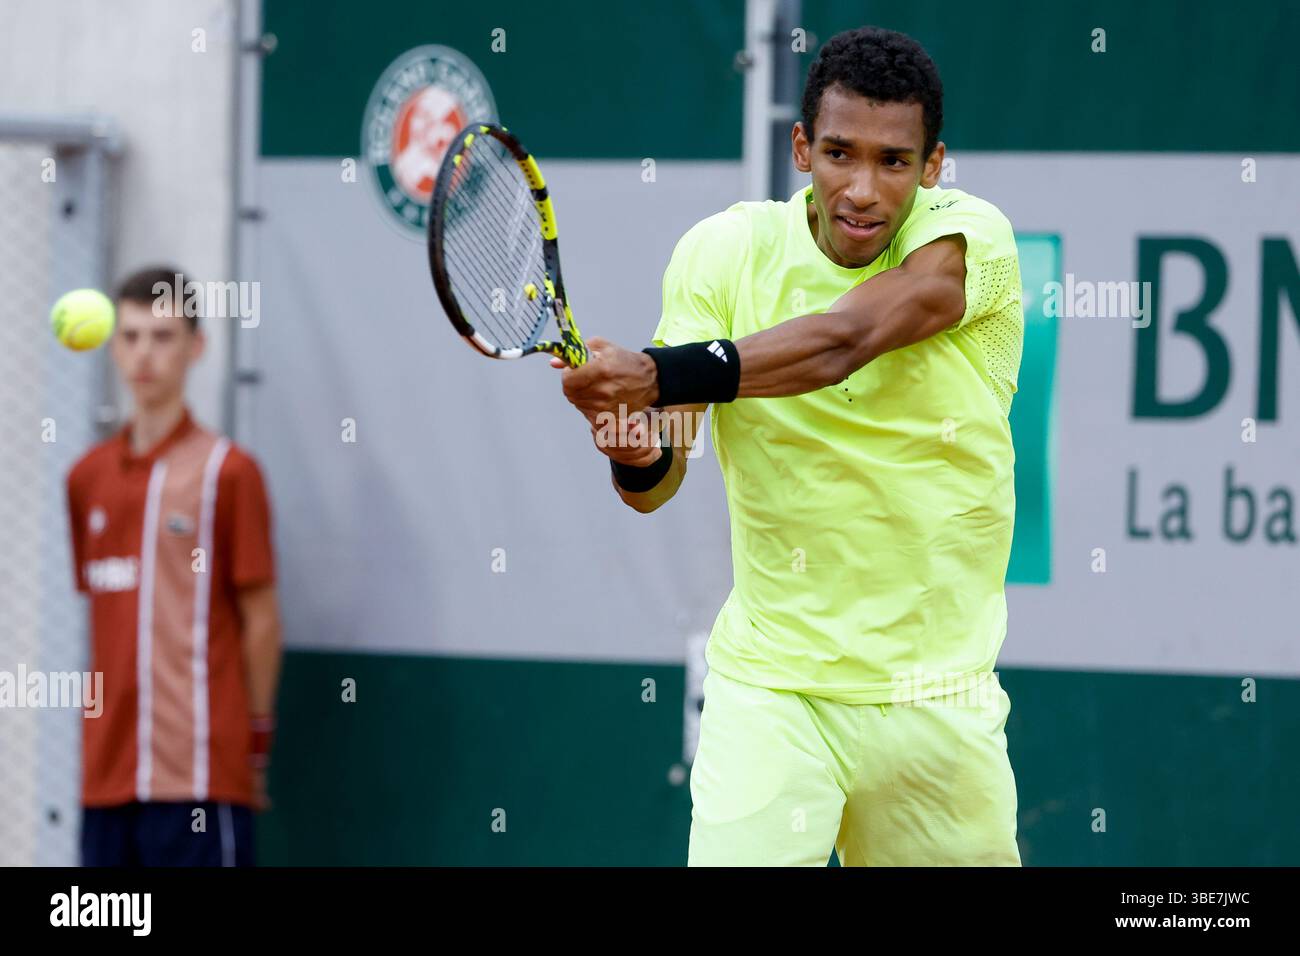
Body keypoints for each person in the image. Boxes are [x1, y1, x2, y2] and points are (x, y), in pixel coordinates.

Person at [556, 26, 1025, 866]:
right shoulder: (725, 251)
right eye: (840, 153)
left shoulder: (969, 240)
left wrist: (656, 375)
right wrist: (631, 443)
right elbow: (662, 472)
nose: (863, 189)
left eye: (894, 161)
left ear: (934, 167)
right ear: (802, 147)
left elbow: (846, 338)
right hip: (772, 694)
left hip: (939, 701)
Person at [65, 266, 281, 866]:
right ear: (111, 345)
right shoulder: (85, 479)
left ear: (196, 346)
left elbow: (260, 619)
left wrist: (255, 744)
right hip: (105, 784)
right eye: (130, 336)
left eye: (162, 337)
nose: (144, 355)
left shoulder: (229, 474)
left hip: (201, 780)